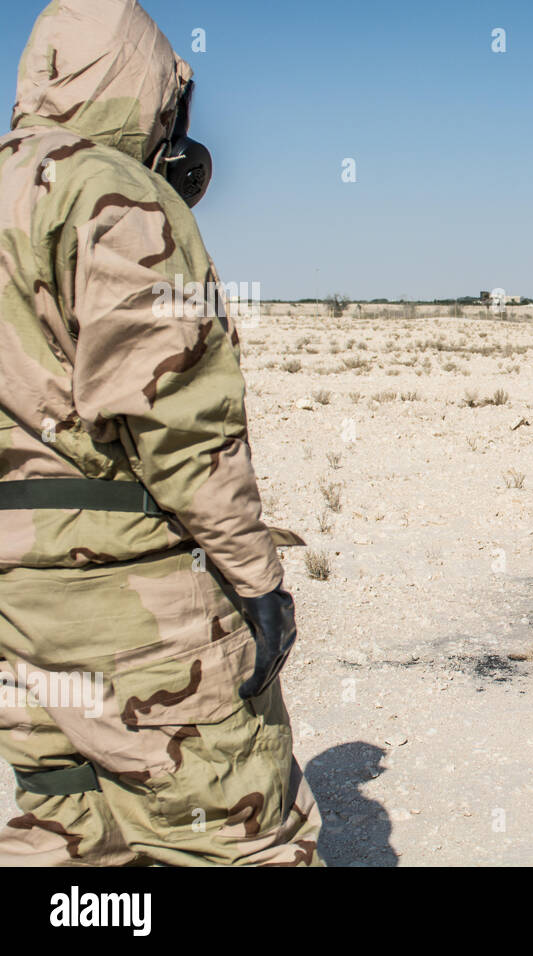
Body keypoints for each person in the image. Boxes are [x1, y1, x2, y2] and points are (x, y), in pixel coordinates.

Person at [0, 0, 320, 865]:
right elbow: (177, 421)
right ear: (142, 80)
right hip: (130, 593)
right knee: (237, 836)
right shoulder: (109, 189)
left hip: (17, 610)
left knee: (66, 840)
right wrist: (257, 578)